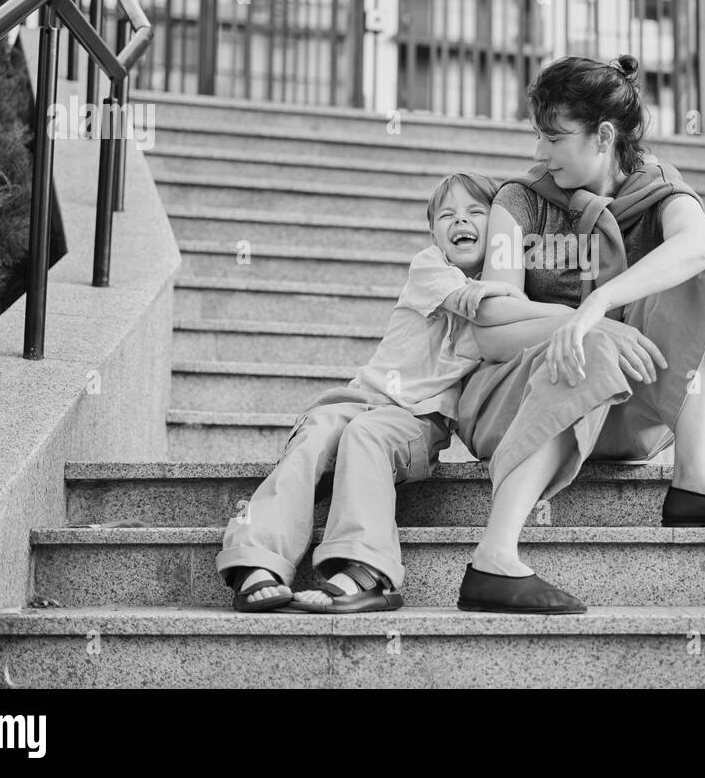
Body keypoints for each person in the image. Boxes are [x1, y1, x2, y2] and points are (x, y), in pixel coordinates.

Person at [454, 55, 705, 616]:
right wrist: (584, 324)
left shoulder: (658, 193)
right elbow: (490, 331)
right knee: (595, 343)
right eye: (537, 136)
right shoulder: (519, 202)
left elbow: (701, 246)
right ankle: (494, 559)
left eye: (553, 138)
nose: (540, 153)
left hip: (620, 411)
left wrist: (600, 302)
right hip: (510, 405)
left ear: (604, 136)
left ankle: (694, 479)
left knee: (702, 275)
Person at [215, 171, 570, 613]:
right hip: (360, 397)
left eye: (476, 212)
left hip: (417, 421)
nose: (461, 221)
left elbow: (502, 329)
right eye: (447, 215)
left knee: (367, 435)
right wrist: (570, 312)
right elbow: (478, 306)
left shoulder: (510, 288)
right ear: (433, 233)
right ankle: (257, 557)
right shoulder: (430, 267)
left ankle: (367, 571)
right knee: (314, 438)